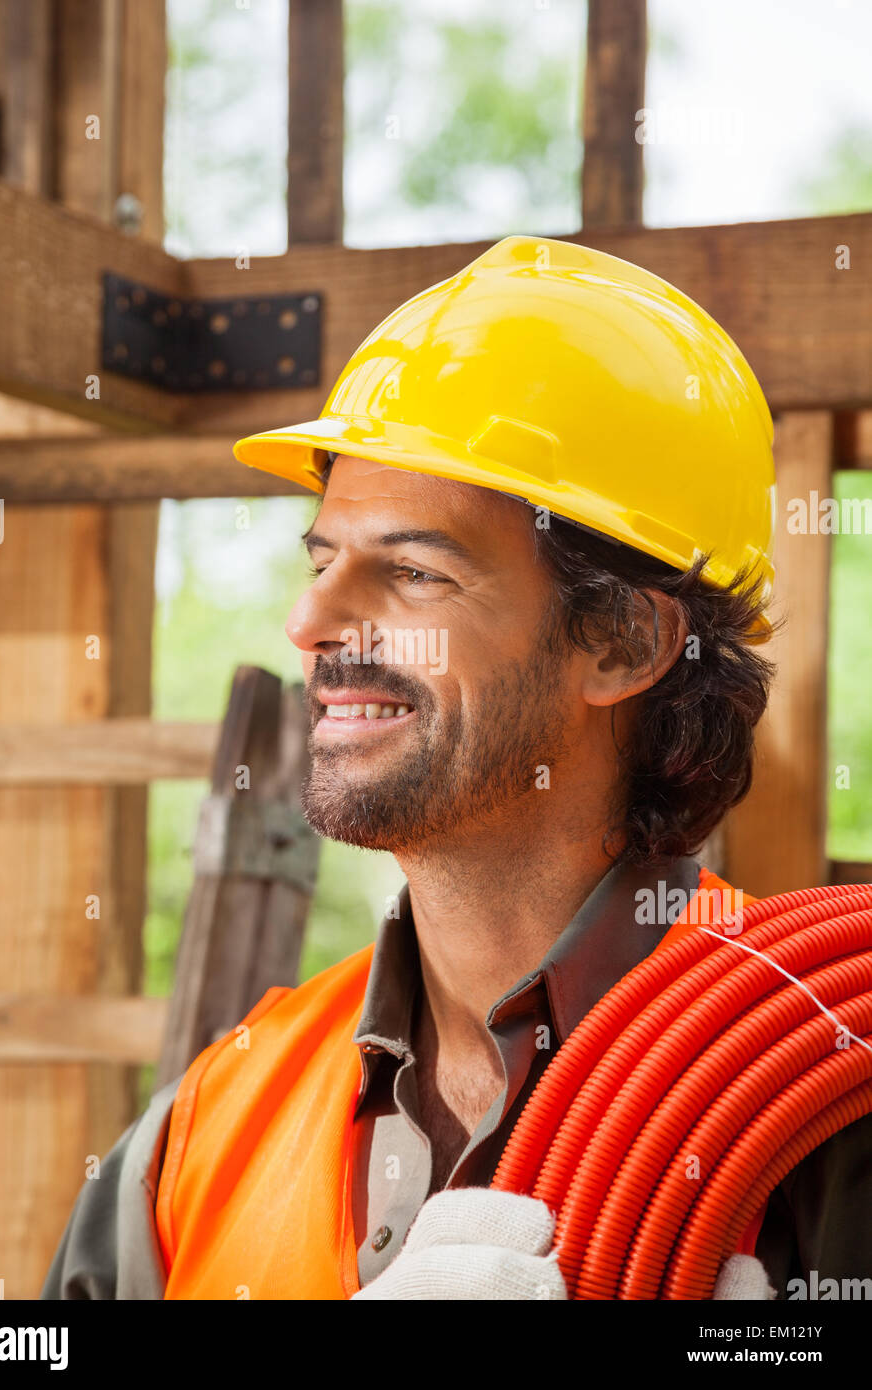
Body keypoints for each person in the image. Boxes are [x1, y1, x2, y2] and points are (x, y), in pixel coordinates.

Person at [42, 236, 871, 1301]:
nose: (312, 622)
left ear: (621, 642)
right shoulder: (213, 1118)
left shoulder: (821, 1093)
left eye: (412, 571)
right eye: (323, 560)